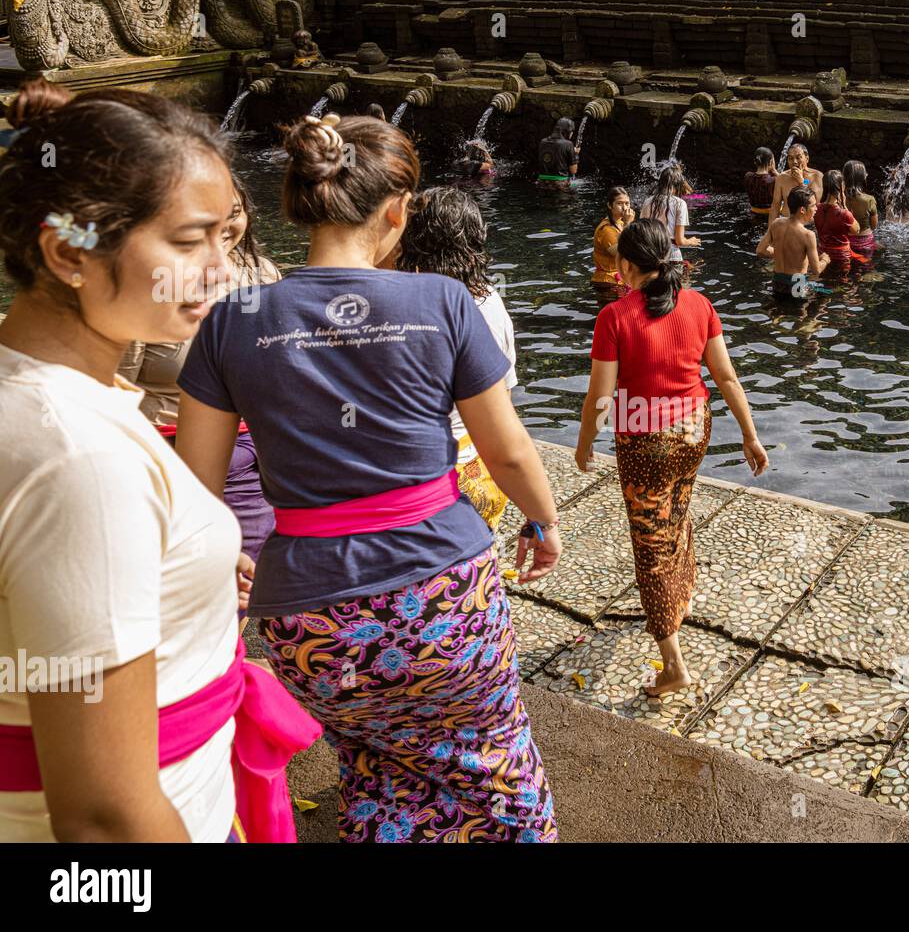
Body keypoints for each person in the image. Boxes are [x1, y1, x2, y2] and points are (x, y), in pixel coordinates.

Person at [176, 113, 562, 843]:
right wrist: (542, 521)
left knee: (376, 771)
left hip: (310, 621)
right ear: (395, 209)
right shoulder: (441, 302)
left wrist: (225, 552)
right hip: (441, 602)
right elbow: (508, 454)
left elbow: (197, 486)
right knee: (493, 770)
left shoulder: (234, 318)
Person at [0, 80, 317, 843]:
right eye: (188, 241)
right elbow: (106, 820)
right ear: (69, 251)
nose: (220, 269)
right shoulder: (80, 459)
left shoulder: (55, 398)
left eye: (226, 238)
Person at [576, 219, 768, 696]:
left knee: (650, 547)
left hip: (646, 442)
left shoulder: (615, 317)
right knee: (676, 515)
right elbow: (726, 377)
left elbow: (601, 396)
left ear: (624, 265)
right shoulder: (699, 305)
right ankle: (678, 598)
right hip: (693, 430)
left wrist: (584, 444)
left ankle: (673, 662)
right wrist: (750, 435)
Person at [118, 171, 282, 565]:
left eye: (235, 213)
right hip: (165, 452)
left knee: (245, 575)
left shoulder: (261, 275)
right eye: (206, 220)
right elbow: (114, 385)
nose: (224, 229)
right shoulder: (153, 286)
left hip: (249, 455)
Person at [397, 185, 518, 532]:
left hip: (426, 481)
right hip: (478, 473)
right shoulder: (491, 302)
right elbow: (502, 409)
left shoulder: (403, 303)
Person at [757, 187, 830, 300]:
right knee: (828, 294)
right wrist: (825, 259)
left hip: (777, 284)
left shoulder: (776, 223)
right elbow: (816, 270)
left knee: (780, 310)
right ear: (802, 210)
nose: (816, 208)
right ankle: (813, 318)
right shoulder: (808, 235)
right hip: (798, 286)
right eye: (813, 205)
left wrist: (782, 253)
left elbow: (760, 250)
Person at [640, 164, 699, 263]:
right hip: (671, 256)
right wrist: (691, 241)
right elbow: (680, 241)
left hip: (650, 255)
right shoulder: (679, 203)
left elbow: (642, 232)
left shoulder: (648, 201)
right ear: (678, 184)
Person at [813, 169, 861, 273]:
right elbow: (856, 230)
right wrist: (845, 207)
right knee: (843, 284)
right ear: (841, 186)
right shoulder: (844, 213)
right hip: (842, 256)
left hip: (822, 254)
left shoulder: (815, 208)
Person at [592, 184, 634, 300]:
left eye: (627, 203)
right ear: (610, 205)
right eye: (619, 204)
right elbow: (623, 253)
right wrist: (628, 225)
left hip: (620, 279)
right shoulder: (606, 230)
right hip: (608, 283)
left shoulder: (620, 223)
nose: (625, 208)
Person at [770, 143, 824, 226]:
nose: (794, 162)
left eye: (798, 157)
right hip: (786, 223)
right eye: (791, 158)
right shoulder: (781, 178)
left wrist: (801, 181)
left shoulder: (817, 176)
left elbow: (814, 203)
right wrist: (770, 232)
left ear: (807, 158)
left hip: (809, 226)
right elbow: (775, 207)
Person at [842, 159, 879, 259]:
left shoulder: (839, 199)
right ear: (861, 177)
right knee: (866, 269)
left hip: (845, 242)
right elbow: (874, 225)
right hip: (865, 242)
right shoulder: (869, 200)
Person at [538, 117, 578, 183]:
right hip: (560, 183)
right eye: (572, 131)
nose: (572, 133)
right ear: (567, 131)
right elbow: (574, 171)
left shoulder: (542, 141)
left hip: (541, 182)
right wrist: (575, 154)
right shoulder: (568, 144)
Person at [744, 147, 778, 218]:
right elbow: (785, 182)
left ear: (755, 161)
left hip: (753, 213)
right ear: (771, 162)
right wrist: (774, 170)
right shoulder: (775, 180)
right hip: (769, 216)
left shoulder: (747, 176)